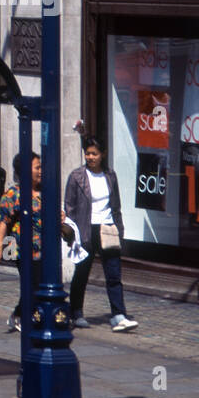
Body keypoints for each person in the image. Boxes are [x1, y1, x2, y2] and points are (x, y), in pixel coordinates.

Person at [64, 136, 138, 332]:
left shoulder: (110, 175)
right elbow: (69, 207)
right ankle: (76, 312)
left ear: (103, 155)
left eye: (94, 154)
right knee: (82, 273)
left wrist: (119, 231)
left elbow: (116, 206)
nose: (90, 157)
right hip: (86, 230)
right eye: (87, 153)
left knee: (113, 273)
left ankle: (118, 315)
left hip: (107, 229)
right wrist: (72, 233)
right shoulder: (76, 176)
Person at [0, 152, 42, 331]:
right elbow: (2, 222)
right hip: (21, 247)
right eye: (37, 167)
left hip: (43, 247)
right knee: (31, 284)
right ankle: (19, 316)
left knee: (38, 284)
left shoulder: (44, 192)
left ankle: (25, 315)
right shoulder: (13, 194)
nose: (41, 171)